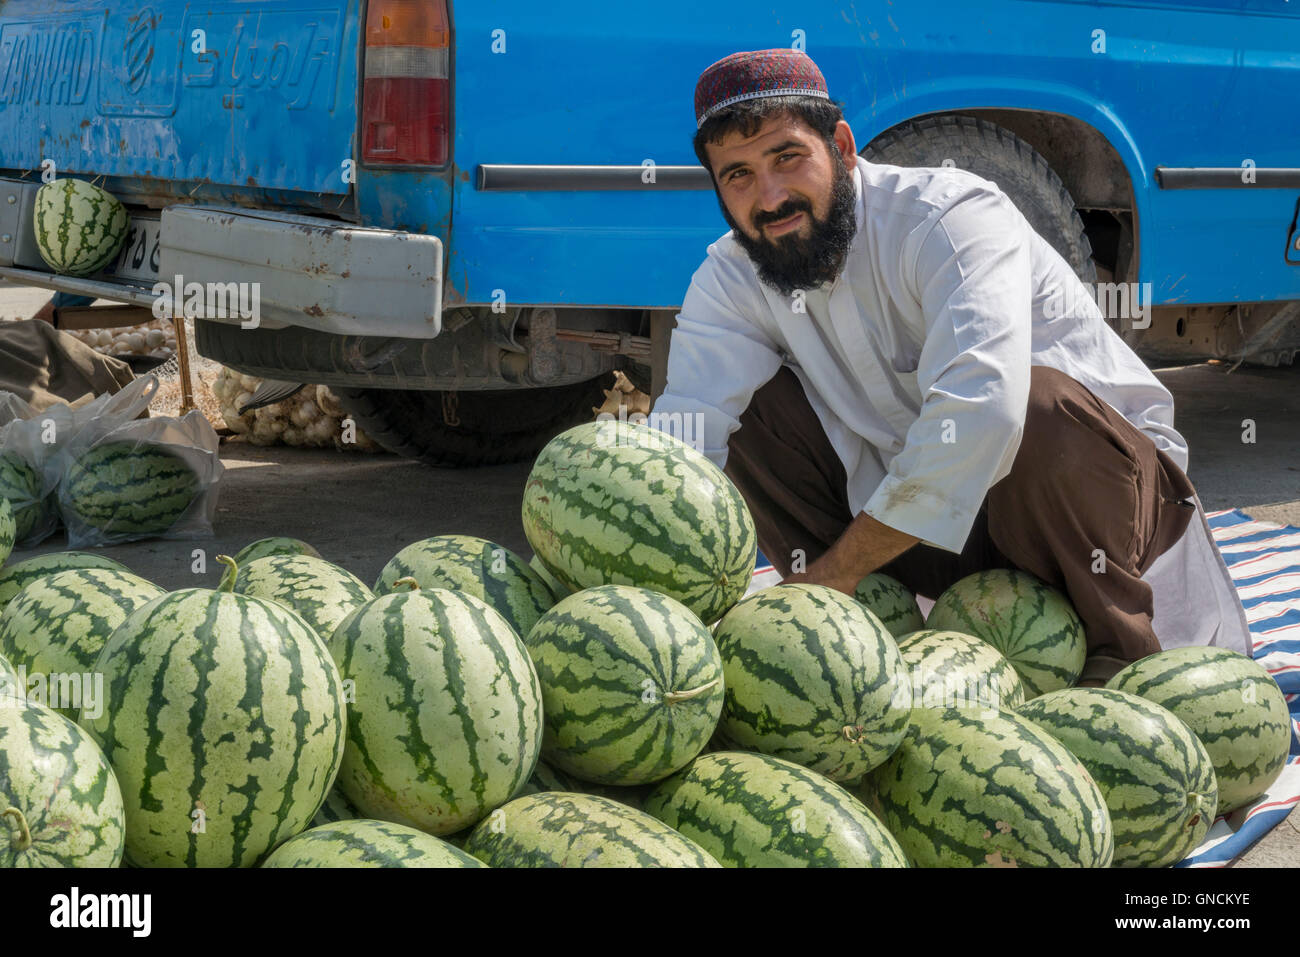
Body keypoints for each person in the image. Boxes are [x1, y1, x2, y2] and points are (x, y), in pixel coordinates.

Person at [653, 49, 1252, 683]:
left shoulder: (947, 215)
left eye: (787, 157)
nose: (770, 197)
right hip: (935, 539)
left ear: (842, 145)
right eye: (738, 175)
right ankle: (845, 652)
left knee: (1031, 404)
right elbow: (686, 432)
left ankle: (1117, 666)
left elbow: (983, 415)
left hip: (1106, 517)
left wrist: (840, 570)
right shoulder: (730, 275)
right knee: (753, 413)